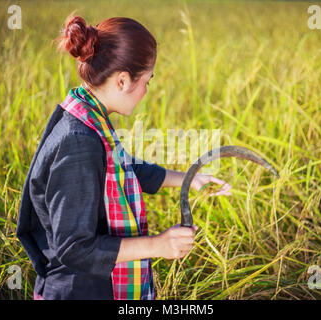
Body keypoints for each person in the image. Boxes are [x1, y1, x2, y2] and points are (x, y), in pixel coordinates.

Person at [16, 13, 232, 300]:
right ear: (122, 81)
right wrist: (158, 245)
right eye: (147, 81)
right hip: (81, 291)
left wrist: (190, 180)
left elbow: (124, 166)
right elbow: (73, 248)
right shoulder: (78, 142)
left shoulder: (86, 112)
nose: (145, 91)